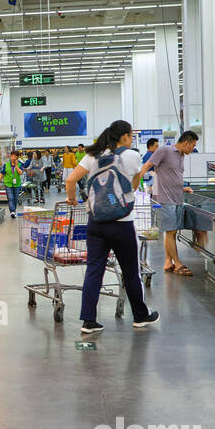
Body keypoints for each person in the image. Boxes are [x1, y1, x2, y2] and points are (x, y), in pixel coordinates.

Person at [62, 120, 159, 333]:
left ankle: (89, 320)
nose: (132, 139)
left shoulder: (92, 155)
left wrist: (72, 200)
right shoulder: (132, 156)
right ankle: (141, 316)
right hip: (121, 224)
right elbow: (134, 186)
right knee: (131, 271)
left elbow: (70, 181)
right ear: (124, 136)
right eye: (131, 136)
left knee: (94, 270)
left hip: (95, 223)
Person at [137, 131, 199, 276]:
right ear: (186, 143)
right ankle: (177, 263)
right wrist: (134, 184)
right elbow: (147, 166)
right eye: (193, 146)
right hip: (164, 199)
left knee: (172, 232)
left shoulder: (181, 156)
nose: (193, 149)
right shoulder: (165, 150)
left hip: (177, 197)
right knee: (170, 231)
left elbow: (171, 176)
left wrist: (182, 188)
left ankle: (167, 262)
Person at [1, 149, 24, 217]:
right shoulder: (6, 165)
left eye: (14, 156)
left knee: (15, 198)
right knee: (10, 198)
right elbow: (2, 173)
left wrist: (16, 166)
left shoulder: (19, 164)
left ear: (17, 157)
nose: (13, 158)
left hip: (16, 184)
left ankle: (14, 210)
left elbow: (20, 173)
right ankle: (12, 211)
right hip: (8, 184)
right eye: (12, 156)